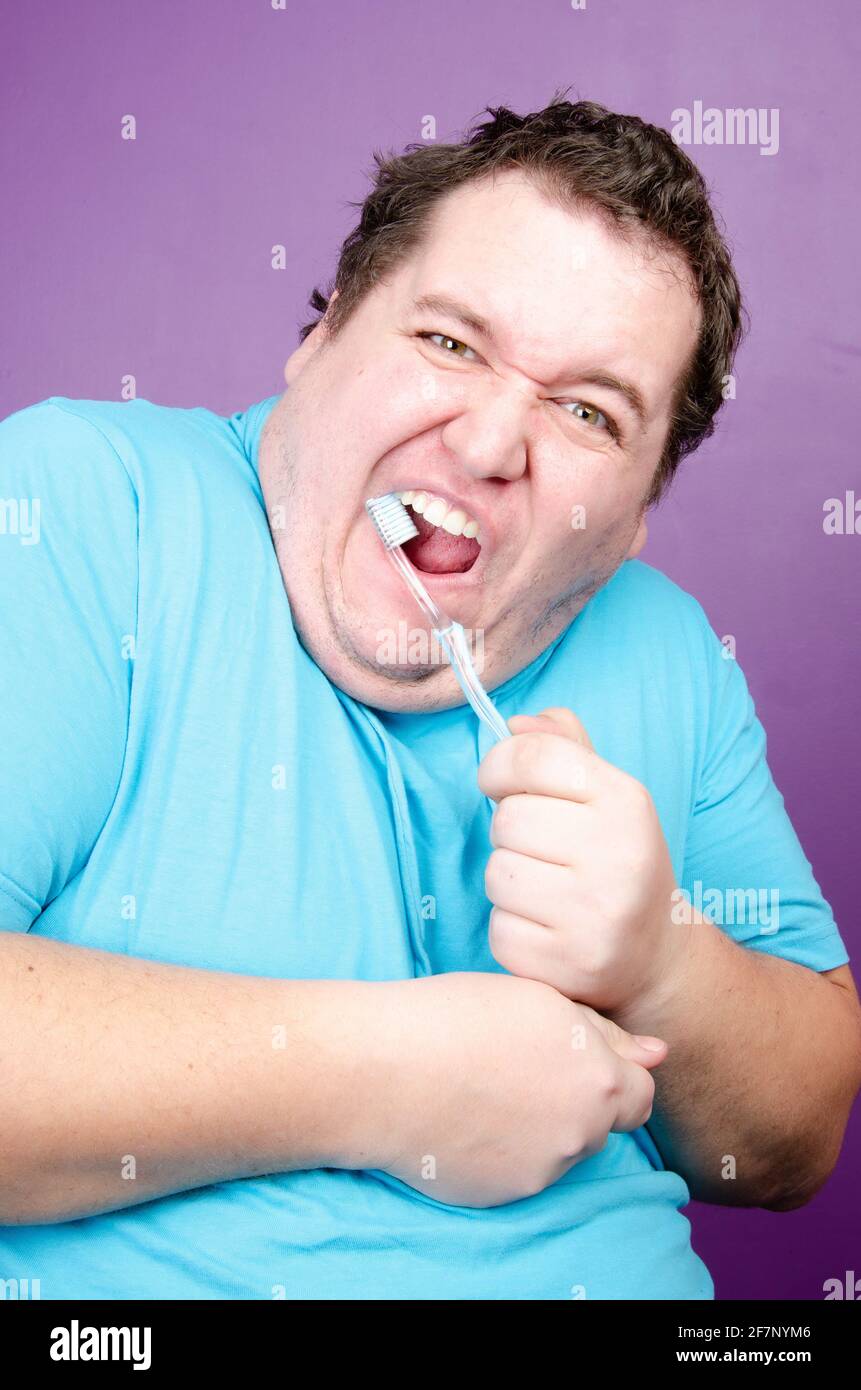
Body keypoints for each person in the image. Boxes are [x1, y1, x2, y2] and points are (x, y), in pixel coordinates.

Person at [0, 96, 858, 1301]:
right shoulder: (79, 509)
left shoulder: (667, 649)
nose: (492, 441)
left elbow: (793, 1145)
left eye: (588, 412)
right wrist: (396, 1078)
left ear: (636, 518)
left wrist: (662, 960)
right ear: (328, 326)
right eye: (451, 343)